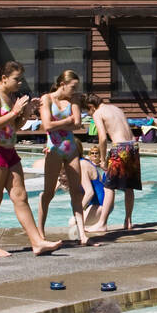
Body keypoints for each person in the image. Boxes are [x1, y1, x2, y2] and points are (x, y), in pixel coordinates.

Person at [0, 61, 62, 259]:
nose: (20, 83)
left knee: (20, 196)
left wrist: (26, 112)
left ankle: (37, 242)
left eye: (21, 79)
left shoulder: (11, 96)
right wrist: (15, 111)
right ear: (4, 78)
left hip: (9, 149)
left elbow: (14, 127)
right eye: (17, 78)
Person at [38, 70, 95, 247]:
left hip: (70, 150)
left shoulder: (74, 99)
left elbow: (77, 123)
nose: (75, 90)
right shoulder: (46, 99)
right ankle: (40, 232)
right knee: (48, 193)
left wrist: (59, 124)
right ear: (63, 84)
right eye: (73, 87)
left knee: (76, 193)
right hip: (54, 149)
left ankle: (83, 234)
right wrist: (66, 121)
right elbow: (46, 125)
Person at [84, 93, 142, 233]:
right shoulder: (116, 108)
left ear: (91, 106)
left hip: (120, 148)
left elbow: (102, 138)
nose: (90, 115)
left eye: (88, 112)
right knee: (129, 187)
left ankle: (102, 223)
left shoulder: (98, 113)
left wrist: (103, 160)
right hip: (133, 146)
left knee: (109, 187)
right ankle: (128, 221)